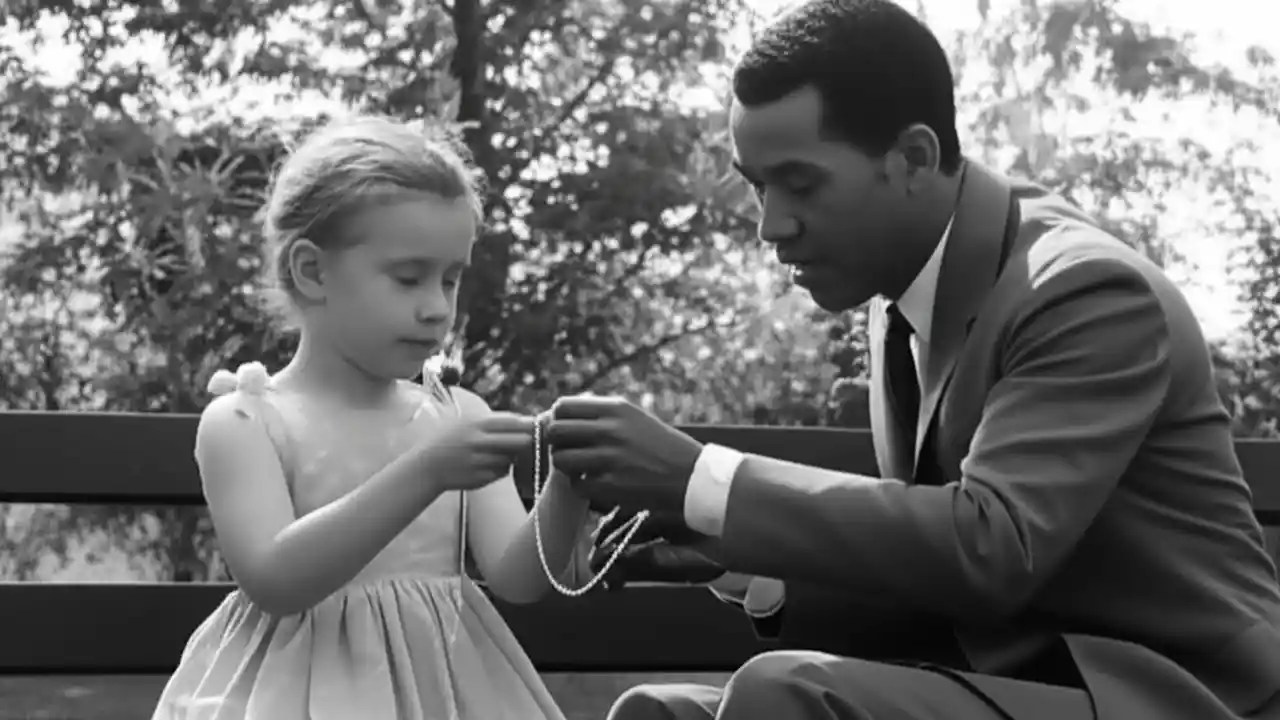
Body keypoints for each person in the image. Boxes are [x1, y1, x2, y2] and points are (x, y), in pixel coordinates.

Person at [546, 1, 1280, 719]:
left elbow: (992, 549)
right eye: (756, 185)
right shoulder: (899, 304)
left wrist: (700, 479)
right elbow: (944, 586)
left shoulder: (1081, 291)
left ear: (915, 158)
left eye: (800, 184)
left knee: (784, 696)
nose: (772, 225)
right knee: (660, 710)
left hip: (1180, 695)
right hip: (1034, 681)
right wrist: (747, 566)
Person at [150, 116, 588, 720]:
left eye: (451, 279)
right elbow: (277, 581)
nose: (437, 308)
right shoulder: (248, 422)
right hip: (297, 696)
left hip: (443, 691)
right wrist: (426, 472)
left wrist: (569, 485)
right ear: (312, 271)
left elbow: (517, 577)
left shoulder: (455, 414)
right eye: (408, 278)